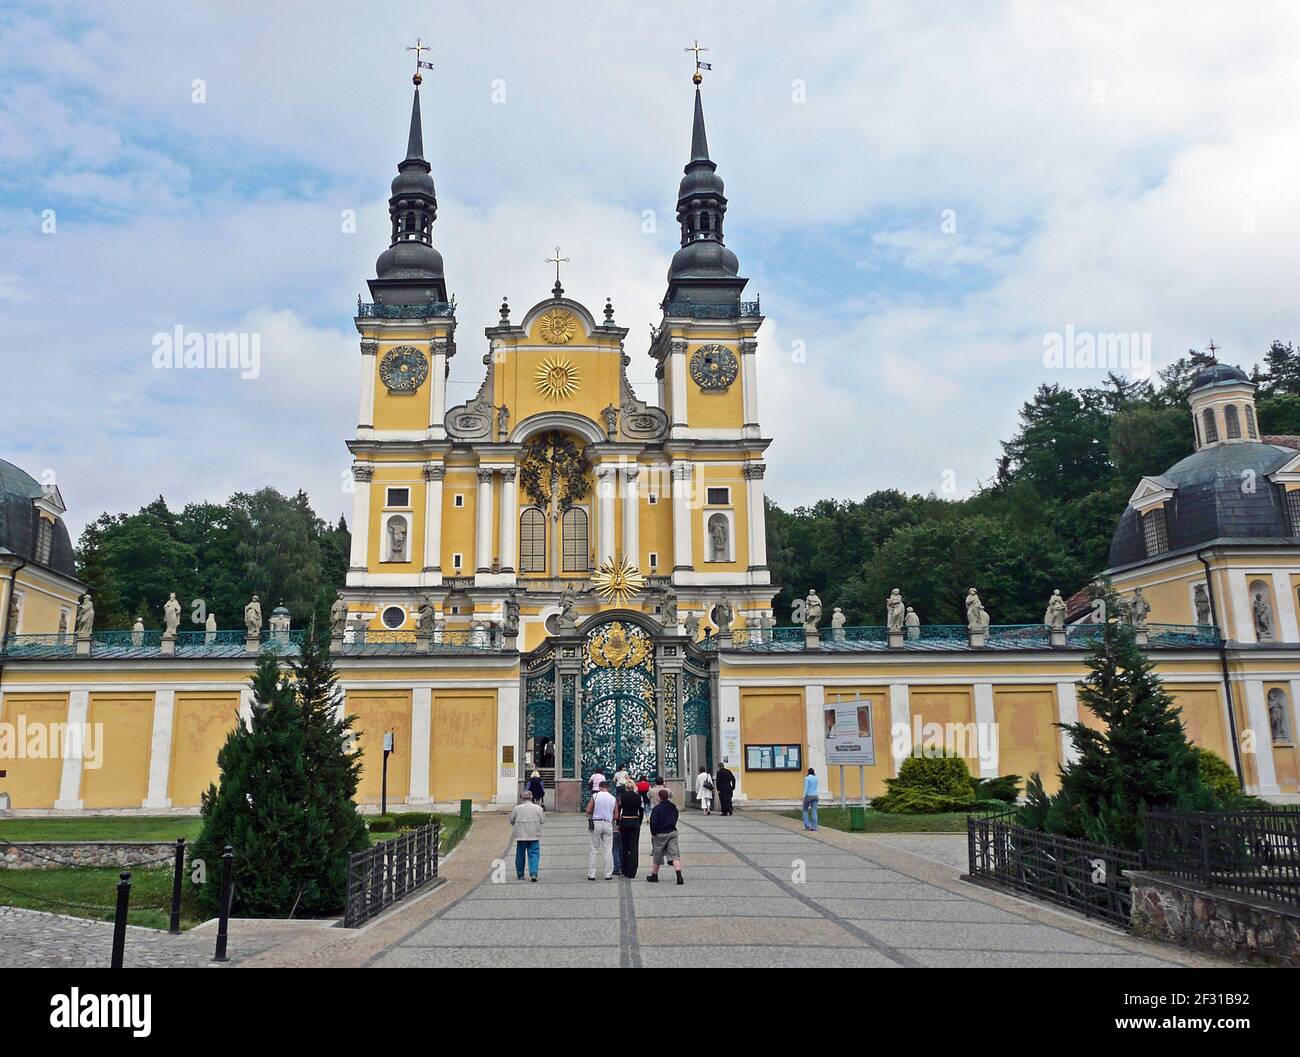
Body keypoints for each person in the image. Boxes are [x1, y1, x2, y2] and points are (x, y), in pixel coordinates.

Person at [646, 788, 684, 885]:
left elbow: (653, 822)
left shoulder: (656, 809)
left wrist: (653, 833)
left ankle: (654, 875)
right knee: (675, 855)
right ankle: (679, 876)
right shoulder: (673, 807)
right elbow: (676, 817)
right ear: (668, 797)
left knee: (657, 854)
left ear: (659, 797)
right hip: (672, 832)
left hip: (660, 833)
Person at [508, 789, 545, 882]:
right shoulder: (538, 808)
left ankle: (520, 874)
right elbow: (542, 820)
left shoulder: (517, 808)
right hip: (534, 834)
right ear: (531, 798)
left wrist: (518, 824)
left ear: (522, 798)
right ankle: (533, 873)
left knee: (520, 854)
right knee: (534, 854)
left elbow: (511, 820)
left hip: (521, 835)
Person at [586, 780, 617, 880]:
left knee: (594, 849)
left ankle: (592, 874)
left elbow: (588, 810)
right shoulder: (613, 798)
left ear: (599, 787)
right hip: (608, 823)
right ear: (608, 788)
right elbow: (616, 815)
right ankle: (608, 874)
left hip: (596, 823)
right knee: (608, 849)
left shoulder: (595, 796)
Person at [615, 779, 644, 878]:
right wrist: (639, 822)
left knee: (624, 847)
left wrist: (618, 823)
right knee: (634, 847)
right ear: (634, 787)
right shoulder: (638, 797)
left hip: (624, 821)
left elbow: (619, 810)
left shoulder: (622, 797)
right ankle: (632, 871)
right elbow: (641, 810)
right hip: (634, 821)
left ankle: (624, 869)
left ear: (626, 787)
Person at [802, 767, 820, 831]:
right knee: (814, 812)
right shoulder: (816, 778)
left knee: (805, 810)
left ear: (808, 772)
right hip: (816, 796)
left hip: (809, 796)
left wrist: (803, 796)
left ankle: (807, 825)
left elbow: (806, 788)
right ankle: (814, 827)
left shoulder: (807, 778)